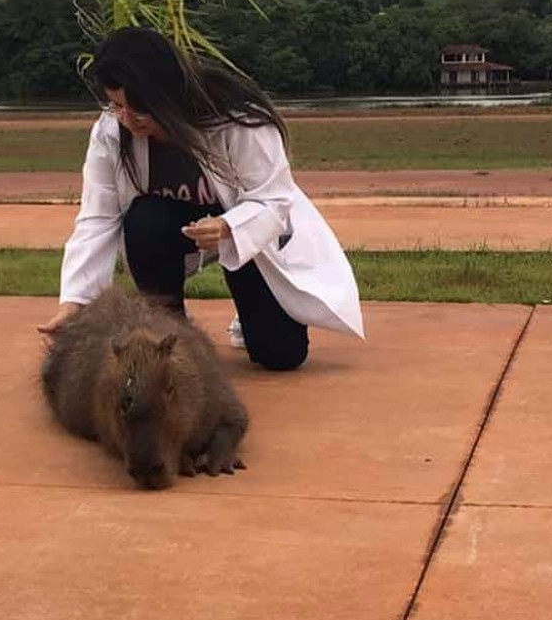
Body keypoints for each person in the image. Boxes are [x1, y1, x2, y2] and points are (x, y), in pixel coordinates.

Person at [37, 26, 363, 370]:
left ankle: (251, 313)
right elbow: (98, 217)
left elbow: (273, 200)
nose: (128, 120)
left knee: (281, 356)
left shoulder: (240, 120)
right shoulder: (111, 131)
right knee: (143, 219)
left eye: (139, 109)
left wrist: (227, 226)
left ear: (166, 95)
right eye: (117, 106)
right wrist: (75, 302)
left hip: (243, 229)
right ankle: (168, 326)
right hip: (168, 227)